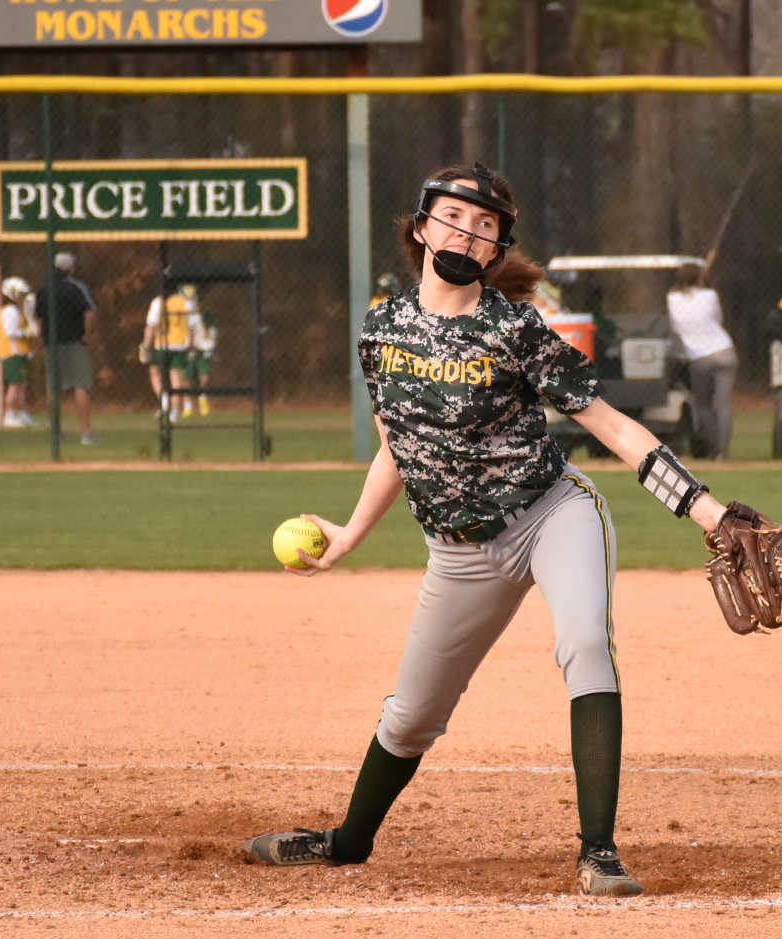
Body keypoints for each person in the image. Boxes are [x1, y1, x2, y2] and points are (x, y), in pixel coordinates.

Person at [242, 163, 732, 897]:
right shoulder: (380, 329)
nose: (465, 233)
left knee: (586, 646)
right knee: (411, 718)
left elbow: (610, 425)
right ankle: (348, 843)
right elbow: (397, 446)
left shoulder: (516, 330)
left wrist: (710, 512)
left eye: (484, 227)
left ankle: (598, 853)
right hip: (458, 553)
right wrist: (347, 536)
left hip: (549, 514)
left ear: (496, 251)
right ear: (420, 228)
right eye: (452, 217)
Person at [666, 262, 737, 459]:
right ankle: (723, 450)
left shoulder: (673, 299)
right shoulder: (710, 295)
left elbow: (675, 327)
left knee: (703, 405)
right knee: (723, 404)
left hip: (698, 356)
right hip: (724, 350)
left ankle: (713, 447)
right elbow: (718, 319)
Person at [45, 251, 100, 444]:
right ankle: (86, 433)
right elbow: (90, 313)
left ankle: (56, 433)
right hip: (75, 342)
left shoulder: (44, 289)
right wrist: (87, 334)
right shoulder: (77, 287)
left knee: (53, 387)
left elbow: (36, 315)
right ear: (70, 268)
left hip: (51, 343)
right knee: (81, 385)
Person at [142, 282, 204, 421]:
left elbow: (151, 326)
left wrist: (145, 346)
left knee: (155, 372)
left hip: (162, 344)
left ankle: (164, 401)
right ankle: (175, 411)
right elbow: (192, 327)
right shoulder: (187, 303)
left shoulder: (159, 302)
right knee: (176, 379)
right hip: (180, 345)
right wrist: (192, 346)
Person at [0, 277, 39, 429]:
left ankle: (20, 413)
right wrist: (26, 332)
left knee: (22, 384)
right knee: (15, 384)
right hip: (12, 351)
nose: (22, 298)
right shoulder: (10, 311)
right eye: (20, 294)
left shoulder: (16, 311)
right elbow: (10, 333)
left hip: (20, 351)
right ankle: (9, 415)